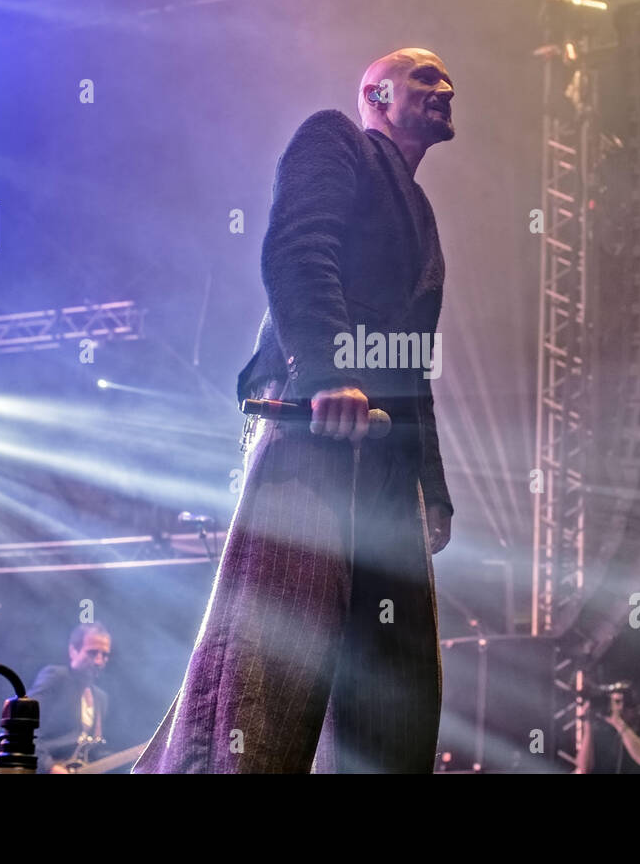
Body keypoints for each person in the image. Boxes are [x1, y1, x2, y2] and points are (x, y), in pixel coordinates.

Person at [135, 48, 458, 773]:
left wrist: (430, 486)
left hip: (386, 461)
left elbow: (415, 366)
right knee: (275, 650)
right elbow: (296, 248)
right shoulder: (333, 137)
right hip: (315, 426)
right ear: (375, 93)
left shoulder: (423, 214)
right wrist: (326, 370)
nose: (445, 89)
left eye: (447, 80)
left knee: (396, 675)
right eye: (425, 78)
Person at [29, 622, 112, 774]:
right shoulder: (56, 677)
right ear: (73, 651)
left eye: (104, 655)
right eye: (92, 653)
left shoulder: (101, 698)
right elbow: (25, 729)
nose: (99, 661)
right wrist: (49, 767)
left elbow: (91, 749)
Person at [577, 680, 640, 774]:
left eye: (619, 702)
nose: (616, 708)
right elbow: (584, 768)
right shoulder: (604, 733)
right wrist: (588, 725)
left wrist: (618, 722)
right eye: (613, 702)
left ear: (638, 709)